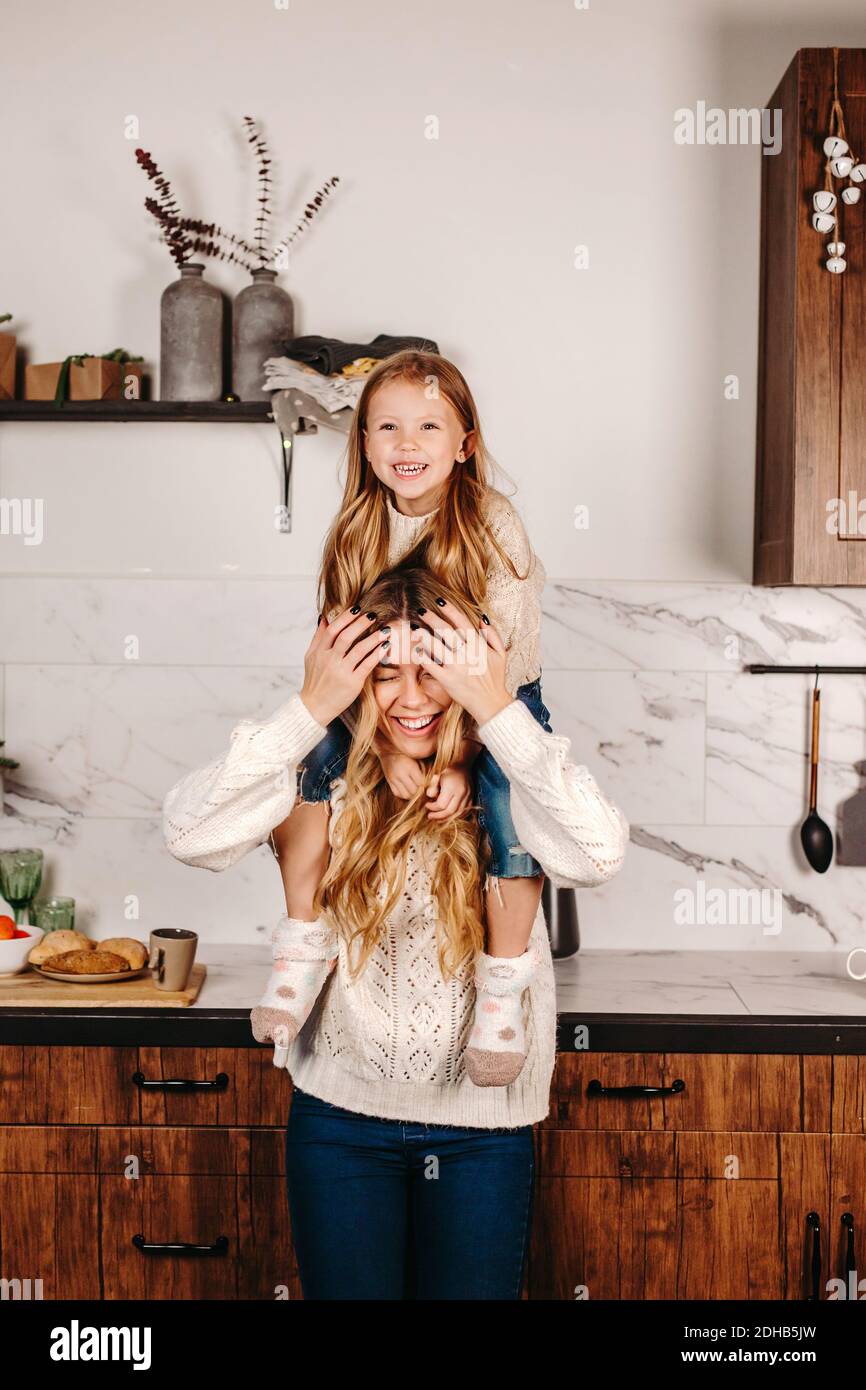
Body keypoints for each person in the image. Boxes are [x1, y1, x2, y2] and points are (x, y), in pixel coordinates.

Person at [162, 565, 629, 1300]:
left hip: (482, 1132)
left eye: (434, 674)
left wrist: (496, 711)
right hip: (341, 1123)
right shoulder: (328, 782)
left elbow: (599, 852)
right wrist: (309, 707)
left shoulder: (511, 787)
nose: (411, 700)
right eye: (384, 676)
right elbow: (190, 833)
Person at [283, 347, 554, 1085]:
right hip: (383, 705)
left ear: (464, 444)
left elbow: (493, 665)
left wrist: (460, 760)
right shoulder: (356, 529)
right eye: (389, 428)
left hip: (491, 704)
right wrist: (382, 751)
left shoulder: (492, 523)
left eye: (429, 426)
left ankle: (502, 988)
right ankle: (302, 942)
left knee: (510, 810)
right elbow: (340, 653)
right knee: (306, 765)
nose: (408, 445)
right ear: (364, 444)